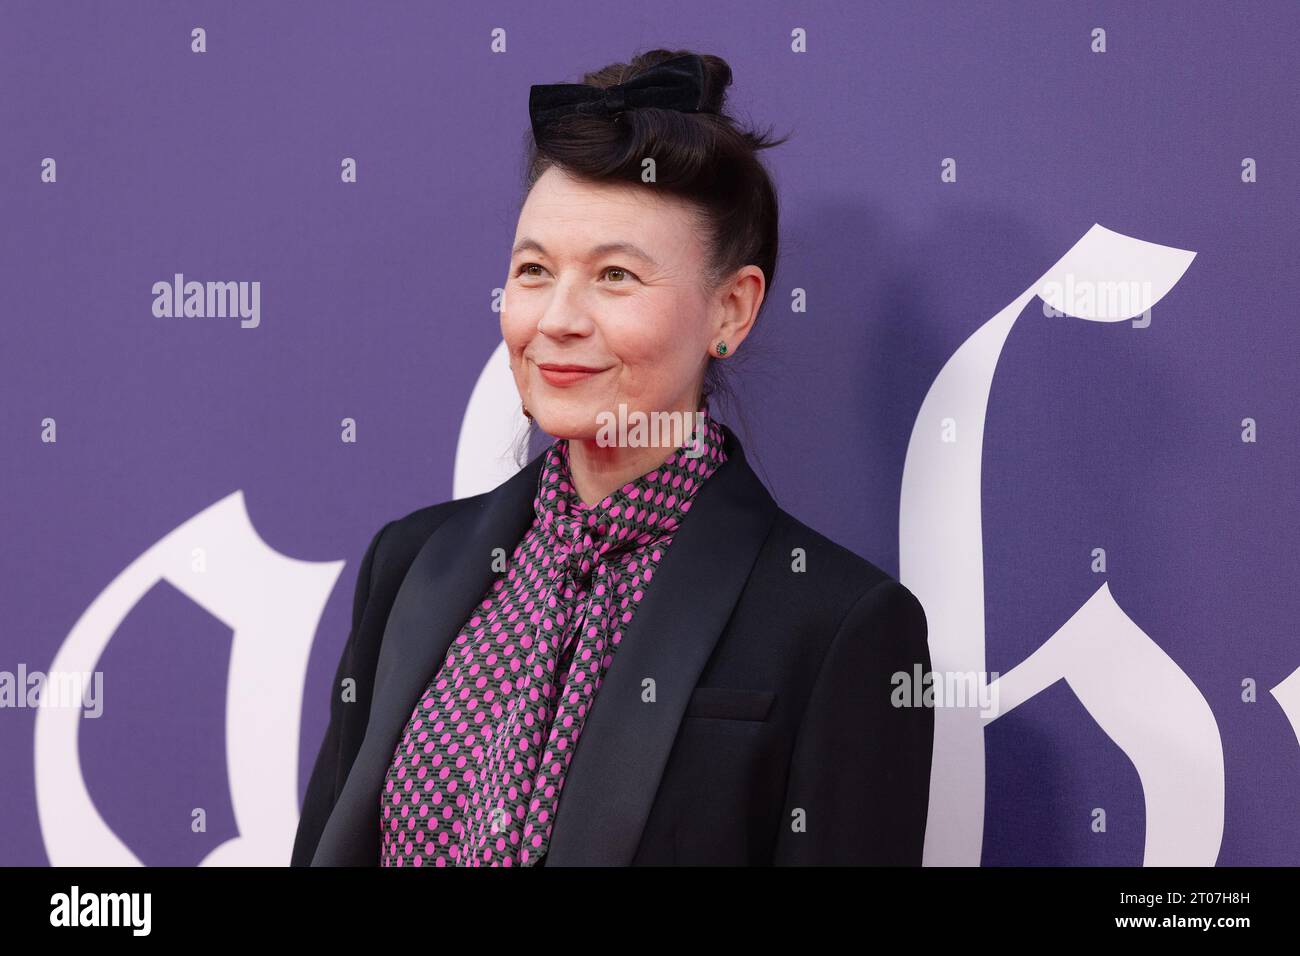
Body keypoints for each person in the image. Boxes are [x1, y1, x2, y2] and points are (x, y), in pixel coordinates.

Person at [291, 48, 933, 867]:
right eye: (533, 271)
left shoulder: (838, 623)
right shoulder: (411, 566)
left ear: (730, 309)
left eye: (616, 275)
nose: (556, 318)